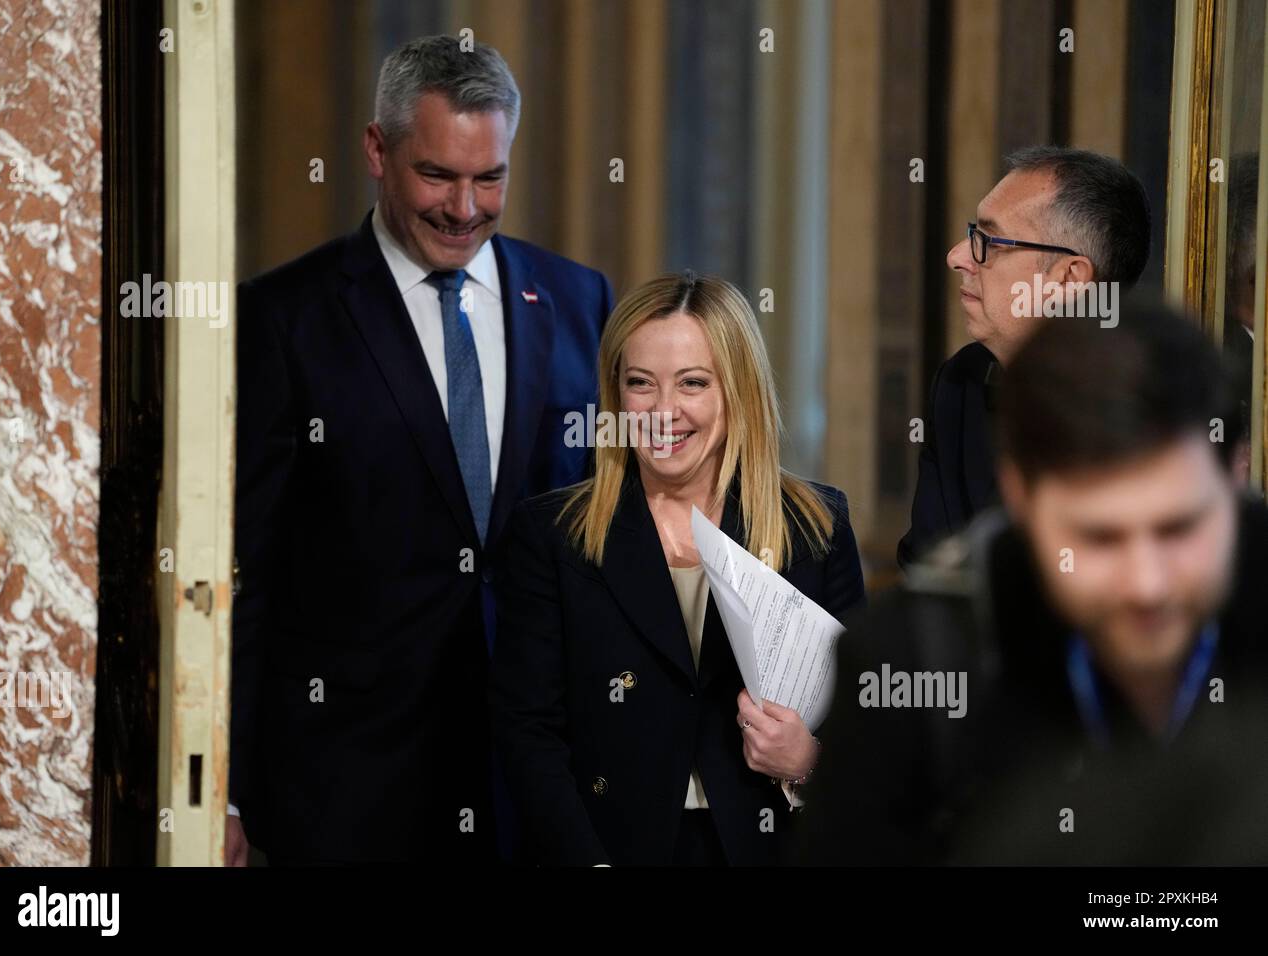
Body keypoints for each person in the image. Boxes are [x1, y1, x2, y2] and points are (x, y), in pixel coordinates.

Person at [228, 36, 613, 865]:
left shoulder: (580, 300)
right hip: (345, 795)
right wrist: (224, 789)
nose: (465, 207)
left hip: (532, 790)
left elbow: (602, 535)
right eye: (437, 175)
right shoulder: (283, 318)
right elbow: (243, 572)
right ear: (376, 149)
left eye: (490, 177)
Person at [798, 298, 1268, 865]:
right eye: (1100, 538)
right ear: (1019, 494)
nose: (1147, 584)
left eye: (1179, 529)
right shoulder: (910, 662)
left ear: (1235, 475)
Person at [491, 272, 866, 866]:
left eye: (692, 383)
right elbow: (528, 733)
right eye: (640, 383)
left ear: (737, 391)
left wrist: (808, 761)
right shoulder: (551, 533)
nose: (663, 412)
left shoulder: (815, 527)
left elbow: (866, 732)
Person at [898, 146, 1151, 567]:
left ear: (1069, 279)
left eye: (988, 242)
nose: (957, 257)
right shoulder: (961, 381)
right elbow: (924, 570)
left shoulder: (1145, 420)